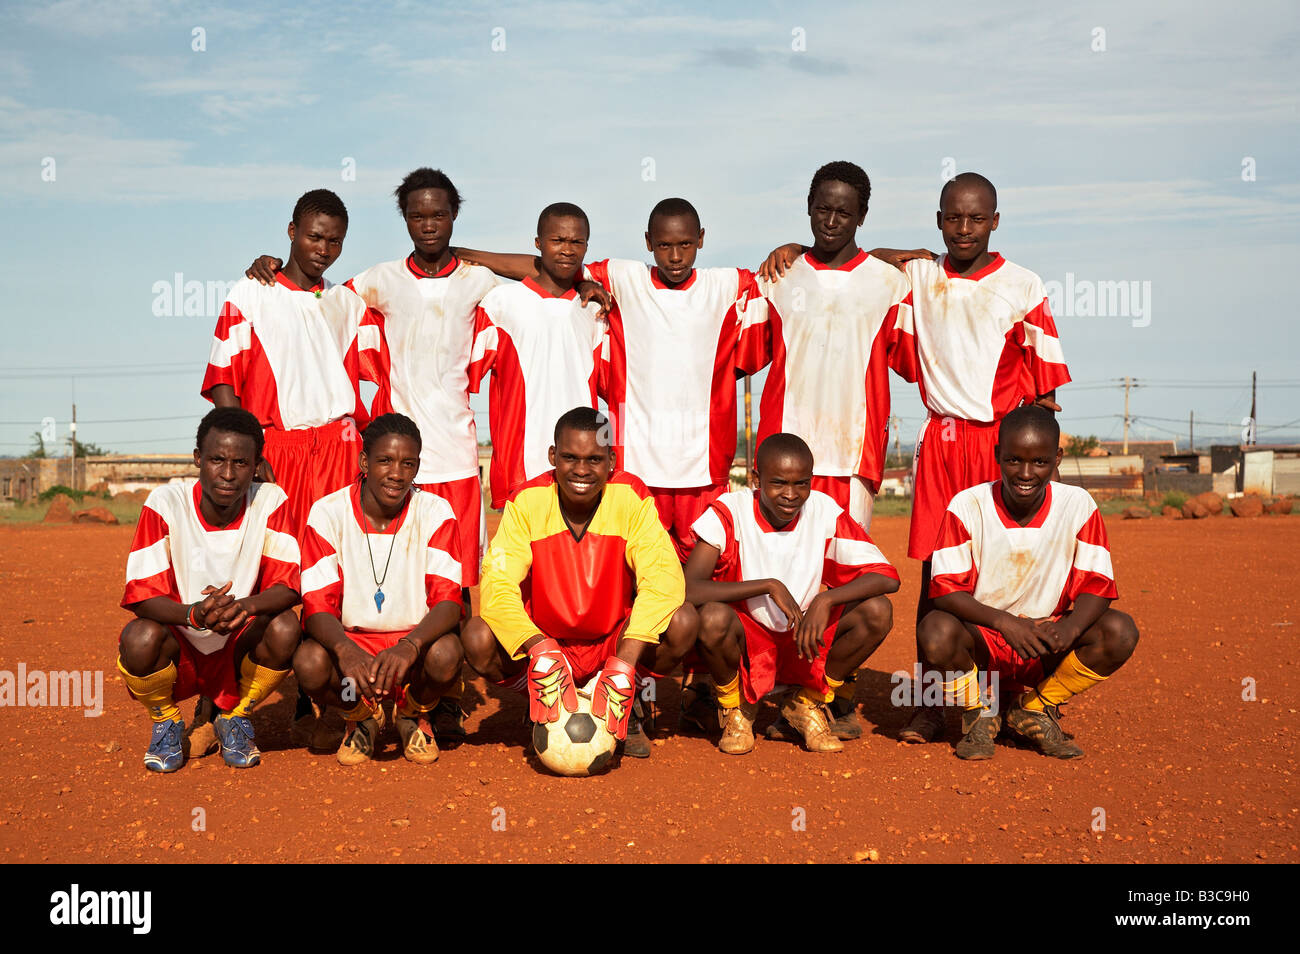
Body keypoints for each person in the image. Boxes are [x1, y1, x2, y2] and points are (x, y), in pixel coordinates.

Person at [759, 172, 1073, 745]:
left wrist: (1033, 453)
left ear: (996, 221)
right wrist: (801, 250)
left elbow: (1047, 392)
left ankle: (1027, 700)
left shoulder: (1024, 286)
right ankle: (933, 707)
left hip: (1000, 445)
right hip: (943, 441)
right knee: (936, 582)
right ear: (937, 221)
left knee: (1011, 568)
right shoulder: (915, 276)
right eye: (953, 218)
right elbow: (862, 259)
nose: (964, 228)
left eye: (977, 218)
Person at [204, 187, 370, 745]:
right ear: (291, 232)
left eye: (335, 240)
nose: (323, 247)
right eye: (314, 235)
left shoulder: (347, 302)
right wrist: (253, 453)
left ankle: (318, 700)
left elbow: (364, 384)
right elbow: (224, 379)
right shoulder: (251, 293)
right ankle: (217, 702)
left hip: (339, 448)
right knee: (259, 573)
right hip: (277, 449)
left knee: (328, 576)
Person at [463, 407, 698, 760]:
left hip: (611, 642)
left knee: (683, 621)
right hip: (550, 643)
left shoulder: (631, 496)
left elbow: (663, 579)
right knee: (477, 636)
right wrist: (538, 648)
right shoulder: (527, 500)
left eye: (594, 459)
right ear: (552, 456)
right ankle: (544, 697)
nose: (582, 470)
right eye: (570, 457)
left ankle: (625, 696)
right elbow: (497, 585)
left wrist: (624, 665)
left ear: (612, 460)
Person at [917, 405, 1138, 759]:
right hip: (985, 638)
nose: (1025, 472)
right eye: (1014, 460)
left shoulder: (1078, 504)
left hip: (1046, 639)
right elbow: (945, 590)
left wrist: (1068, 630)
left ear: (1057, 459)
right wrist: (1005, 623)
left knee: (1120, 631)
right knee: (936, 630)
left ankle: (1035, 706)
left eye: (1039, 462)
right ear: (997, 455)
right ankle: (979, 711)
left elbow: (1098, 585)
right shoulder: (967, 505)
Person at [683, 434, 899, 754]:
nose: (791, 494)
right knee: (712, 616)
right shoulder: (731, 510)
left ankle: (805, 703)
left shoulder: (822, 510)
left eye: (801, 483)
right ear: (756, 479)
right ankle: (735, 707)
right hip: (748, 641)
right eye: (779, 483)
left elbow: (886, 577)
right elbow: (688, 588)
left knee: (878, 611)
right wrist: (768, 585)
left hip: (803, 638)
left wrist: (826, 599)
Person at [117, 407, 302, 772]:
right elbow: (142, 595)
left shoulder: (270, 500)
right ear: (198, 458)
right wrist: (194, 614)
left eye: (241, 462)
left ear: (256, 465)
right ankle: (166, 720)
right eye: (217, 460)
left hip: (238, 637)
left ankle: (234, 715)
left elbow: (288, 586)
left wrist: (243, 608)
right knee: (138, 639)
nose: (229, 474)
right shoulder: (165, 503)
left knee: (285, 627)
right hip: (180, 638)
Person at [738, 162, 912, 535]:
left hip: (853, 455)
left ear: (862, 215)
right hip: (783, 453)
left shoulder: (892, 284)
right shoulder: (776, 277)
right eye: (823, 209)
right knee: (776, 563)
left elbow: (915, 364)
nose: (831, 221)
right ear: (808, 205)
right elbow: (741, 359)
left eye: (844, 212)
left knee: (846, 571)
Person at [294, 414, 467, 765]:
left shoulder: (436, 512)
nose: (397, 473)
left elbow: (449, 603)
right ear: (364, 462)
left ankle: (411, 712)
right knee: (310, 662)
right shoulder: (327, 512)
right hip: (354, 646)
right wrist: (345, 649)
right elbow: (316, 607)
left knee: (447, 653)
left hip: (411, 648)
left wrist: (411, 645)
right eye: (385, 460)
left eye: (408, 463)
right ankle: (360, 716)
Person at [466, 204, 608, 509]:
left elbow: (611, 386)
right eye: (558, 240)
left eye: (576, 242)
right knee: (521, 556)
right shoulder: (500, 304)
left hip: (582, 467)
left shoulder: (596, 312)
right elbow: (463, 378)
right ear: (538, 243)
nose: (567, 250)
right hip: (522, 466)